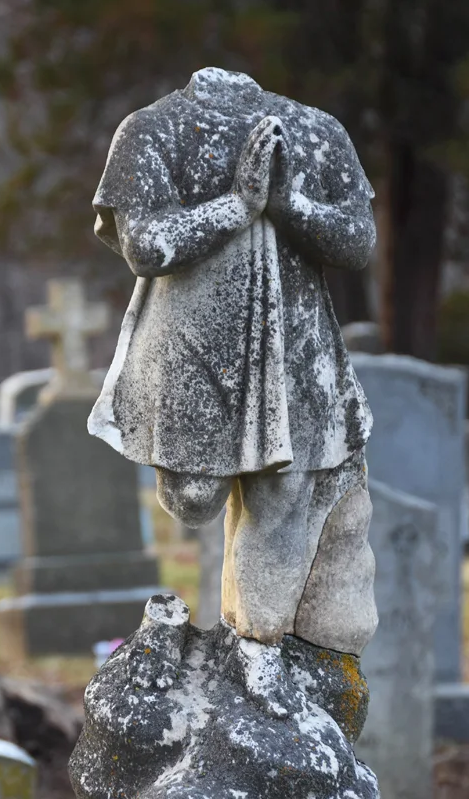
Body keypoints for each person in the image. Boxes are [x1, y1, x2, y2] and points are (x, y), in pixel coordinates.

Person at [88, 68, 378, 652]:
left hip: (297, 354)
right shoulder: (151, 130)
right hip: (191, 355)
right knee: (191, 498)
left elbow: (357, 240)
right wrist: (238, 205)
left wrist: (289, 204)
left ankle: (260, 652)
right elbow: (146, 246)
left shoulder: (315, 131)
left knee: (285, 499)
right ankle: (258, 646)